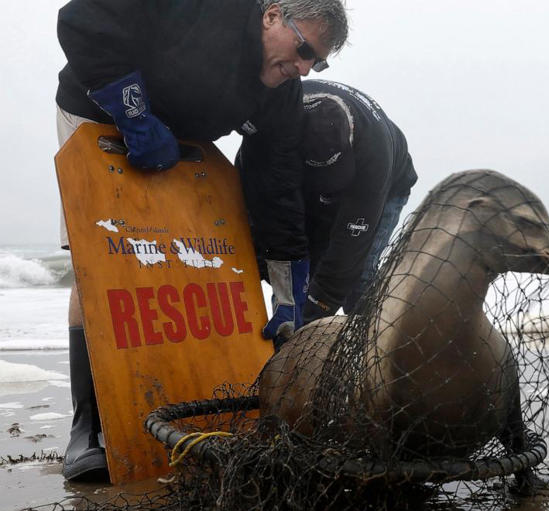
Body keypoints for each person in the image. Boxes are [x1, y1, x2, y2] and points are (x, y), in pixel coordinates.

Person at [55, 0, 348, 481]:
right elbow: (83, 21)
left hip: (181, 137)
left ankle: (166, 392)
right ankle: (89, 427)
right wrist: (134, 113)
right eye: (302, 50)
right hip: (98, 103)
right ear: (272, 16)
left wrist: (288, 288)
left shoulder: (280, 95)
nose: (302, 69)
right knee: (105, 261)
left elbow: (277, 186)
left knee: (183, 264)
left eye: (315, 62)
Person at [238, 79, 417, 341]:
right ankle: (285, 326)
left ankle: (374, 348)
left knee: (358, 276)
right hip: (304, 178)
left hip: (384, 186)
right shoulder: (274, 128)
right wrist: (275, 272)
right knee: (298, 269)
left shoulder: (373, 157)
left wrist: (308, 323)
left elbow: (346, 254)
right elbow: (265, 208)